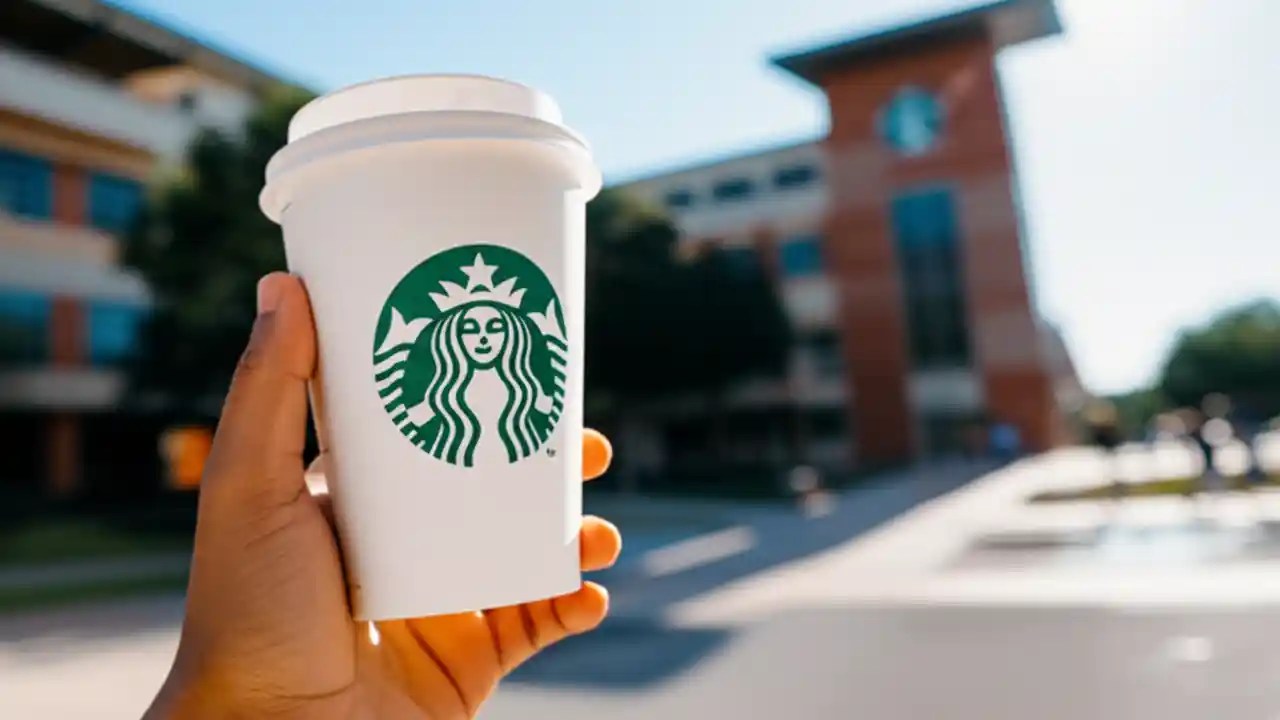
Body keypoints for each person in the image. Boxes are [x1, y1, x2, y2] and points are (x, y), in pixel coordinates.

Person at [144, 273, 622, 719]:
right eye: (469, 327)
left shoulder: (520, 402)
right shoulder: (440, 402)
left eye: (494, 326)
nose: (481, 338)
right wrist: (258, 705)